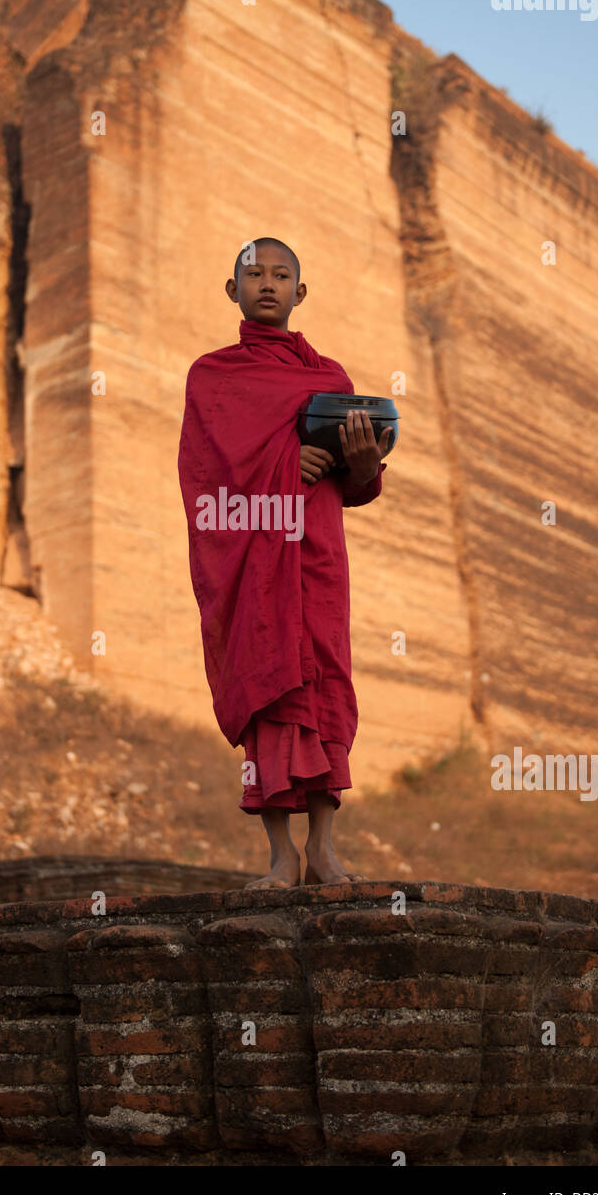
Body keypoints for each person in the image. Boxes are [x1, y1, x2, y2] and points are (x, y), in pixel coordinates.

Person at [177, 237, 393, 888]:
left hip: (315, 553)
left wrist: (361, 465)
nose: (266, 283)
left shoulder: (329, 381)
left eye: (280, 275)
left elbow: (357, 483)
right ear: (231, 289)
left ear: (300, 293)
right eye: (253, 273)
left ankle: (323, 847)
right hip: (250, 557)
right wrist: (279, 468)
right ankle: (279, 855)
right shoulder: (211, 378)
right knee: (265, 687)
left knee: (322, 681)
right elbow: (201, 473)